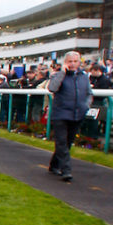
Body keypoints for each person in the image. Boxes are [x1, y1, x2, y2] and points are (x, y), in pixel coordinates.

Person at [47, 51, 92, 182]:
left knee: (67, 142)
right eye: (69, 61)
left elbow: (89, 93)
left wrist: (86, 106)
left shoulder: (84, 77)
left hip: (77, 114)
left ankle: (54, 164)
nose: (72, 64)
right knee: (61, 142)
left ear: (79, 63)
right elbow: (52, 88)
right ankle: (66, 170)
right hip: (60, 114)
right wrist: (62, 73)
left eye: (75, 61)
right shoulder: (58, 75)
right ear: (65, 63)